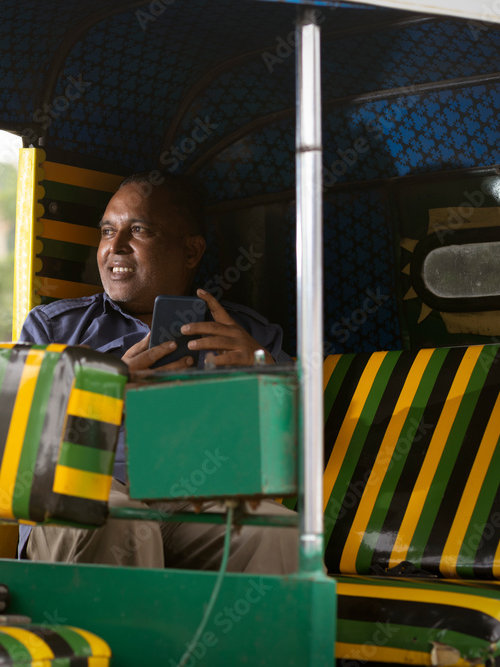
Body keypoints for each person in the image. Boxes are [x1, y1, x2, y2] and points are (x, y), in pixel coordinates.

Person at [17, 171, 297, 574]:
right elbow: (16, 441)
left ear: (190, 251)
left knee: (278, 531)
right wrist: (103, 399)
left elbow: (300, 447)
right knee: (124, 520)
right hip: (89, 492)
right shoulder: (54, 329)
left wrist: (266, 375)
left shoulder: (246, 334)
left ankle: (241, 639)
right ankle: (116, 640)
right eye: (107, 231)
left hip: (197, 504)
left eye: (139, 231)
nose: (115, 247)